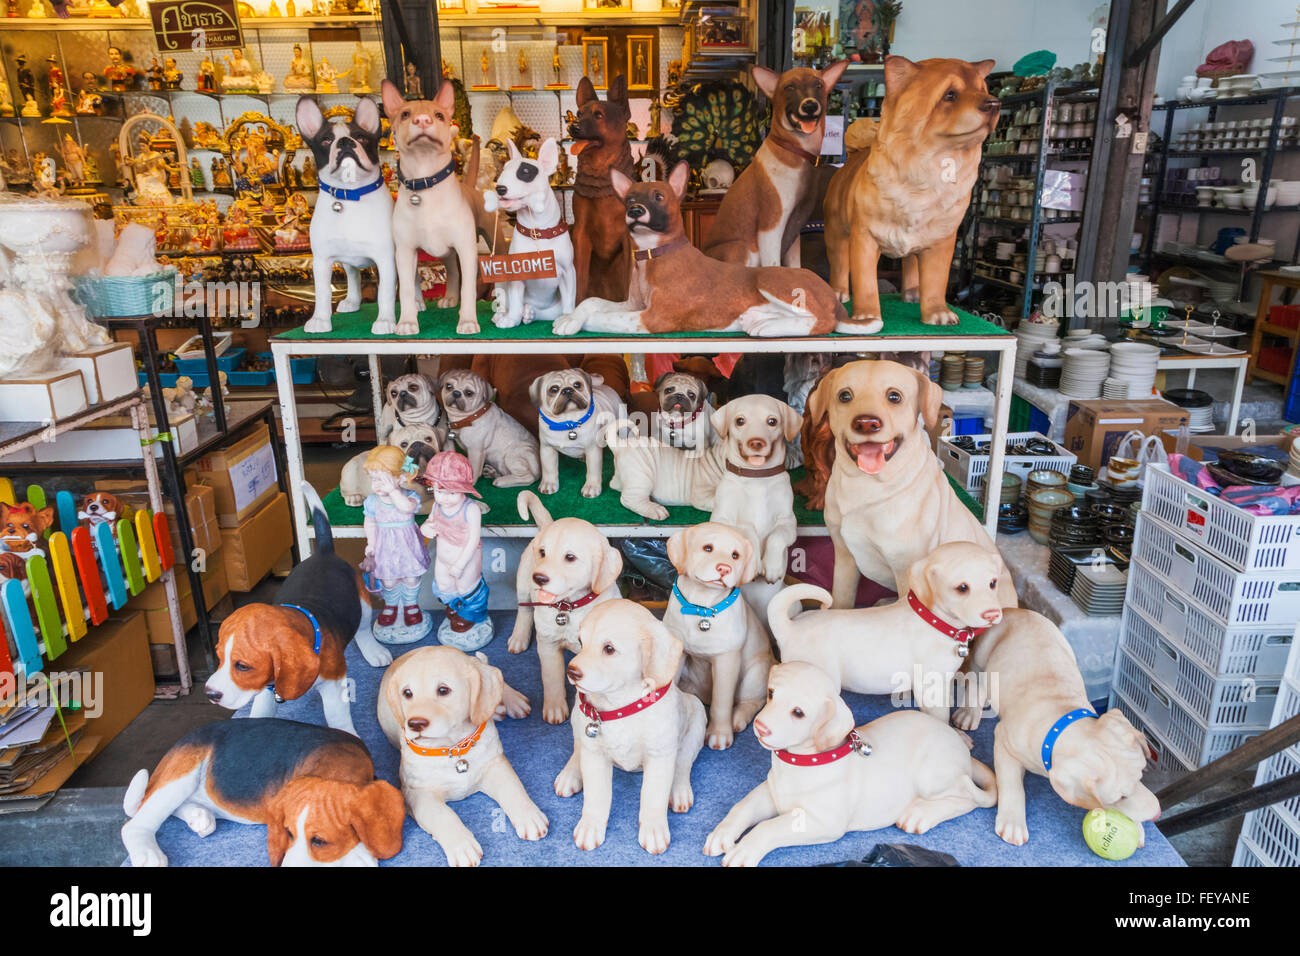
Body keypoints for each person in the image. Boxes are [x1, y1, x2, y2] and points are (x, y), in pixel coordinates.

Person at [419, 451, 492, 651]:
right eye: (440, 491)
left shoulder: (470, 509)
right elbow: (431, 522)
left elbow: (473, 540)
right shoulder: (437, 505)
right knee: (444, 585)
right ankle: (455, 608)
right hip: (443, 558)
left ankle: (471, 614)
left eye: (452, 492)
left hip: (466, 558)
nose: (446, 498)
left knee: (466, 587)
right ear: (432, 487)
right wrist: (426, 527)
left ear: (464, 490)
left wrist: (460, 564)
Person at [363, 445, 432, 643]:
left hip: (407, 546)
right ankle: (391, 607)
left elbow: (406, 509)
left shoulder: (409, 497)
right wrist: (371, 543)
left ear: (401, 477)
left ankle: (411, 606)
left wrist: (393, 491)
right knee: (389, 580)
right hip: (385, 546)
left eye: (382, 479)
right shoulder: (371, 502)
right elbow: (370, 522)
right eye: (373, 479)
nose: (376, 484)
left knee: (410, 578)